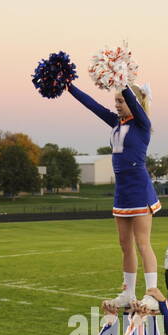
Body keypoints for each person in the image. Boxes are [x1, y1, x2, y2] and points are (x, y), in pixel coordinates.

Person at [66, 80, 160, 308]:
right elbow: (93, 106)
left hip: (140, 191)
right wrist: (69, 87)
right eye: (115, 101)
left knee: (142, 243)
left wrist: (121, 79)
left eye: (121, 100)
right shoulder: (116, 123)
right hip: (122, 193)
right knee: (124, 244)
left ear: (133, 102)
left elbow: (134, 104)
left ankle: (151, 293)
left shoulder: (142, 124)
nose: (117, 105)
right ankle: (128, 293)